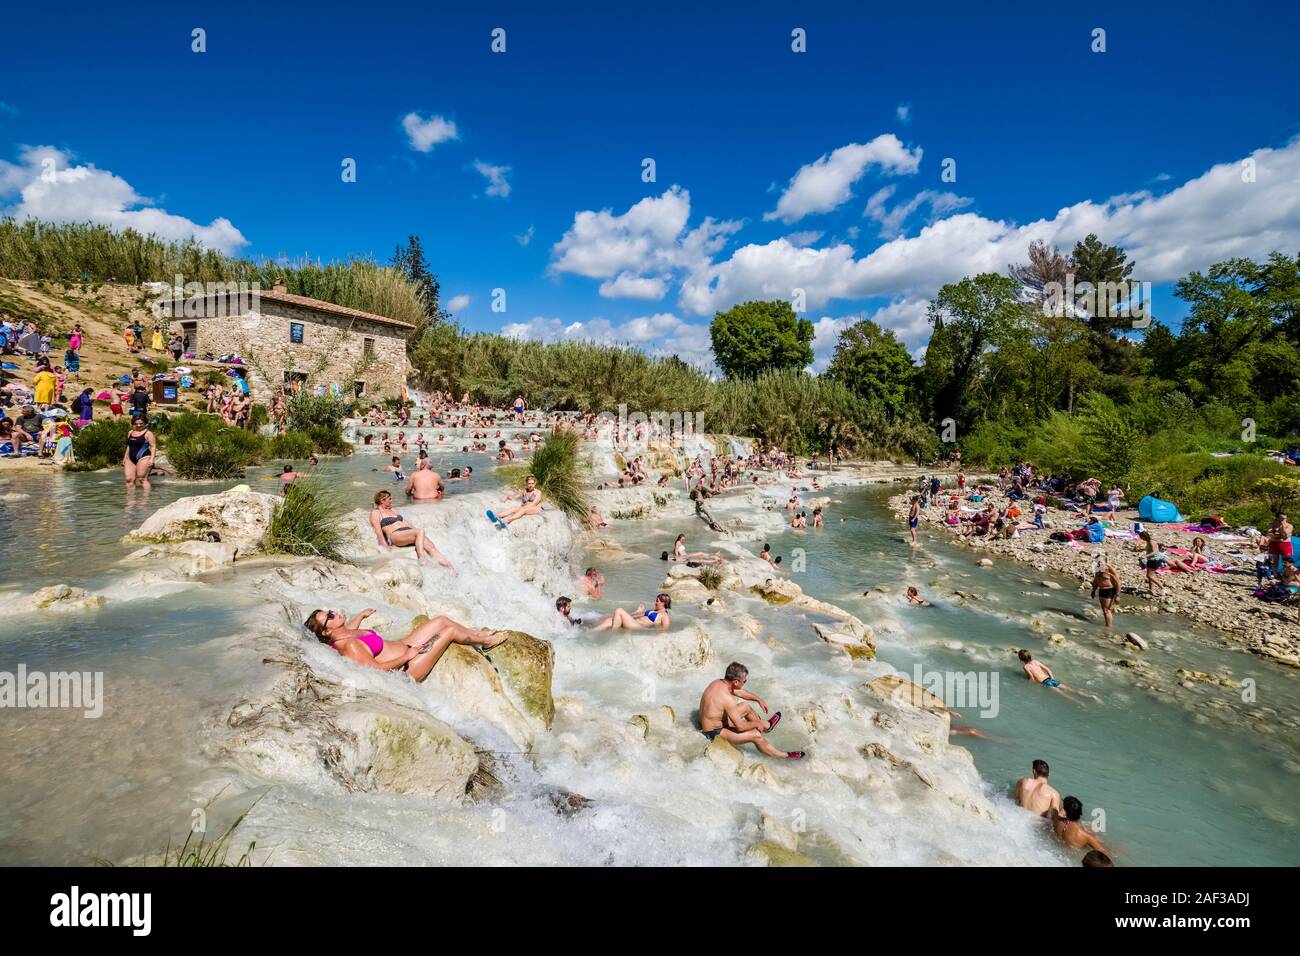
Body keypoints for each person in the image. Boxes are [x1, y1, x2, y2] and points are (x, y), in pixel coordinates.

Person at [304, 608, 507, 682]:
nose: (333, 612)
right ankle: (487, 641)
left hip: (404, 645)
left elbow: (351, 631)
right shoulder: (349, 647)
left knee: (441, 620)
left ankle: (477, 634)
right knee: (450, 632)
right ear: (326, 631)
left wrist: (360, 616)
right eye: (329, 616)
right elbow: (373, 670)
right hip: (407, 668)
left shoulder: (344, 633)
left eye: (329, 610)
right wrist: (406, 657)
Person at [698, 662, 803, 759]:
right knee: (756, 736)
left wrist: (758, 699)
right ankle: (784, 755)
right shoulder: (727, 698)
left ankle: (767, 726)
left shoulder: (718, 683)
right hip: (713, 732)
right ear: (735, 682)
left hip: (714, 722)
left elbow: (739, 692)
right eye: (744, 681)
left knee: (745, 706)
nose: (745, 682)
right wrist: (756, 724)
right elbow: (740, 727)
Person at [369, 490, 454, 569]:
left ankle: (449, 567)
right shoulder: (376, 513)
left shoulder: (393, 510)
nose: (391, 500)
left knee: (430, 546)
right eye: (389, 499)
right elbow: (378, 531)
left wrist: (421, 536)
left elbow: (406, 523)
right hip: (395, 536)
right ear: (382, 500)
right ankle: (422, 558)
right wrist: (385, 546)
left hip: (407, 533)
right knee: (420, 531)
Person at [1017, 649, 1099, 704]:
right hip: (1050, 679)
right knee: (1071, 690)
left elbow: (1032, 677)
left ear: (1021, 659)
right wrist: (1052, 678)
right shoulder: (1035, 661)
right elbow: (1048, 669)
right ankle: (1091, 697)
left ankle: (1080, 703)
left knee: (1064, 695)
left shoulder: (1026, 667)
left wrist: (1030, 684)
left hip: (1045, 683)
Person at [593, 592, 672, 631]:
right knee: (609, 620)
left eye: (657, 601)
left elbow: (664, 630)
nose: (655, 602)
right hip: (633, 622)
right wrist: (638, 611)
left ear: (663, 603)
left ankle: (613, 635)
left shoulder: (664, 615)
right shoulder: (652, 611)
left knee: (619, 610)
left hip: (640, 627)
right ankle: (588, 633)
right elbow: (634, 616)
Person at [123, 416, 157, 490]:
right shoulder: (130, 432)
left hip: (143, 457)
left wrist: (152, 459)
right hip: (130, 458)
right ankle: (130, 500)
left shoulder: (148, 433)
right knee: (129, 479)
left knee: (142, 479)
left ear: (145, 423)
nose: (138, 425)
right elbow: (129, 446)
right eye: (136, 423)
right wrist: (125, 457)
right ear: (133, 423)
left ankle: (145, 500)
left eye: (141, 423)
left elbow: (153, 447)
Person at [1090, 557, 1121, 627]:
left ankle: (1109, 627)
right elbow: (1096, 580)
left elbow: (1118, 582)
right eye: (1098, 562)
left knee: (1107, 610)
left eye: (1101, 562)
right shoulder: (1098, 569)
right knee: (1104, 610)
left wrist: (1118, 595)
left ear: (1105, 562)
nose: (1100, 563)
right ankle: (1107, 625)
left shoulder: (1109, 569)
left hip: (1109, 590)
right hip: (1101, 590)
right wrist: (1093, 590)